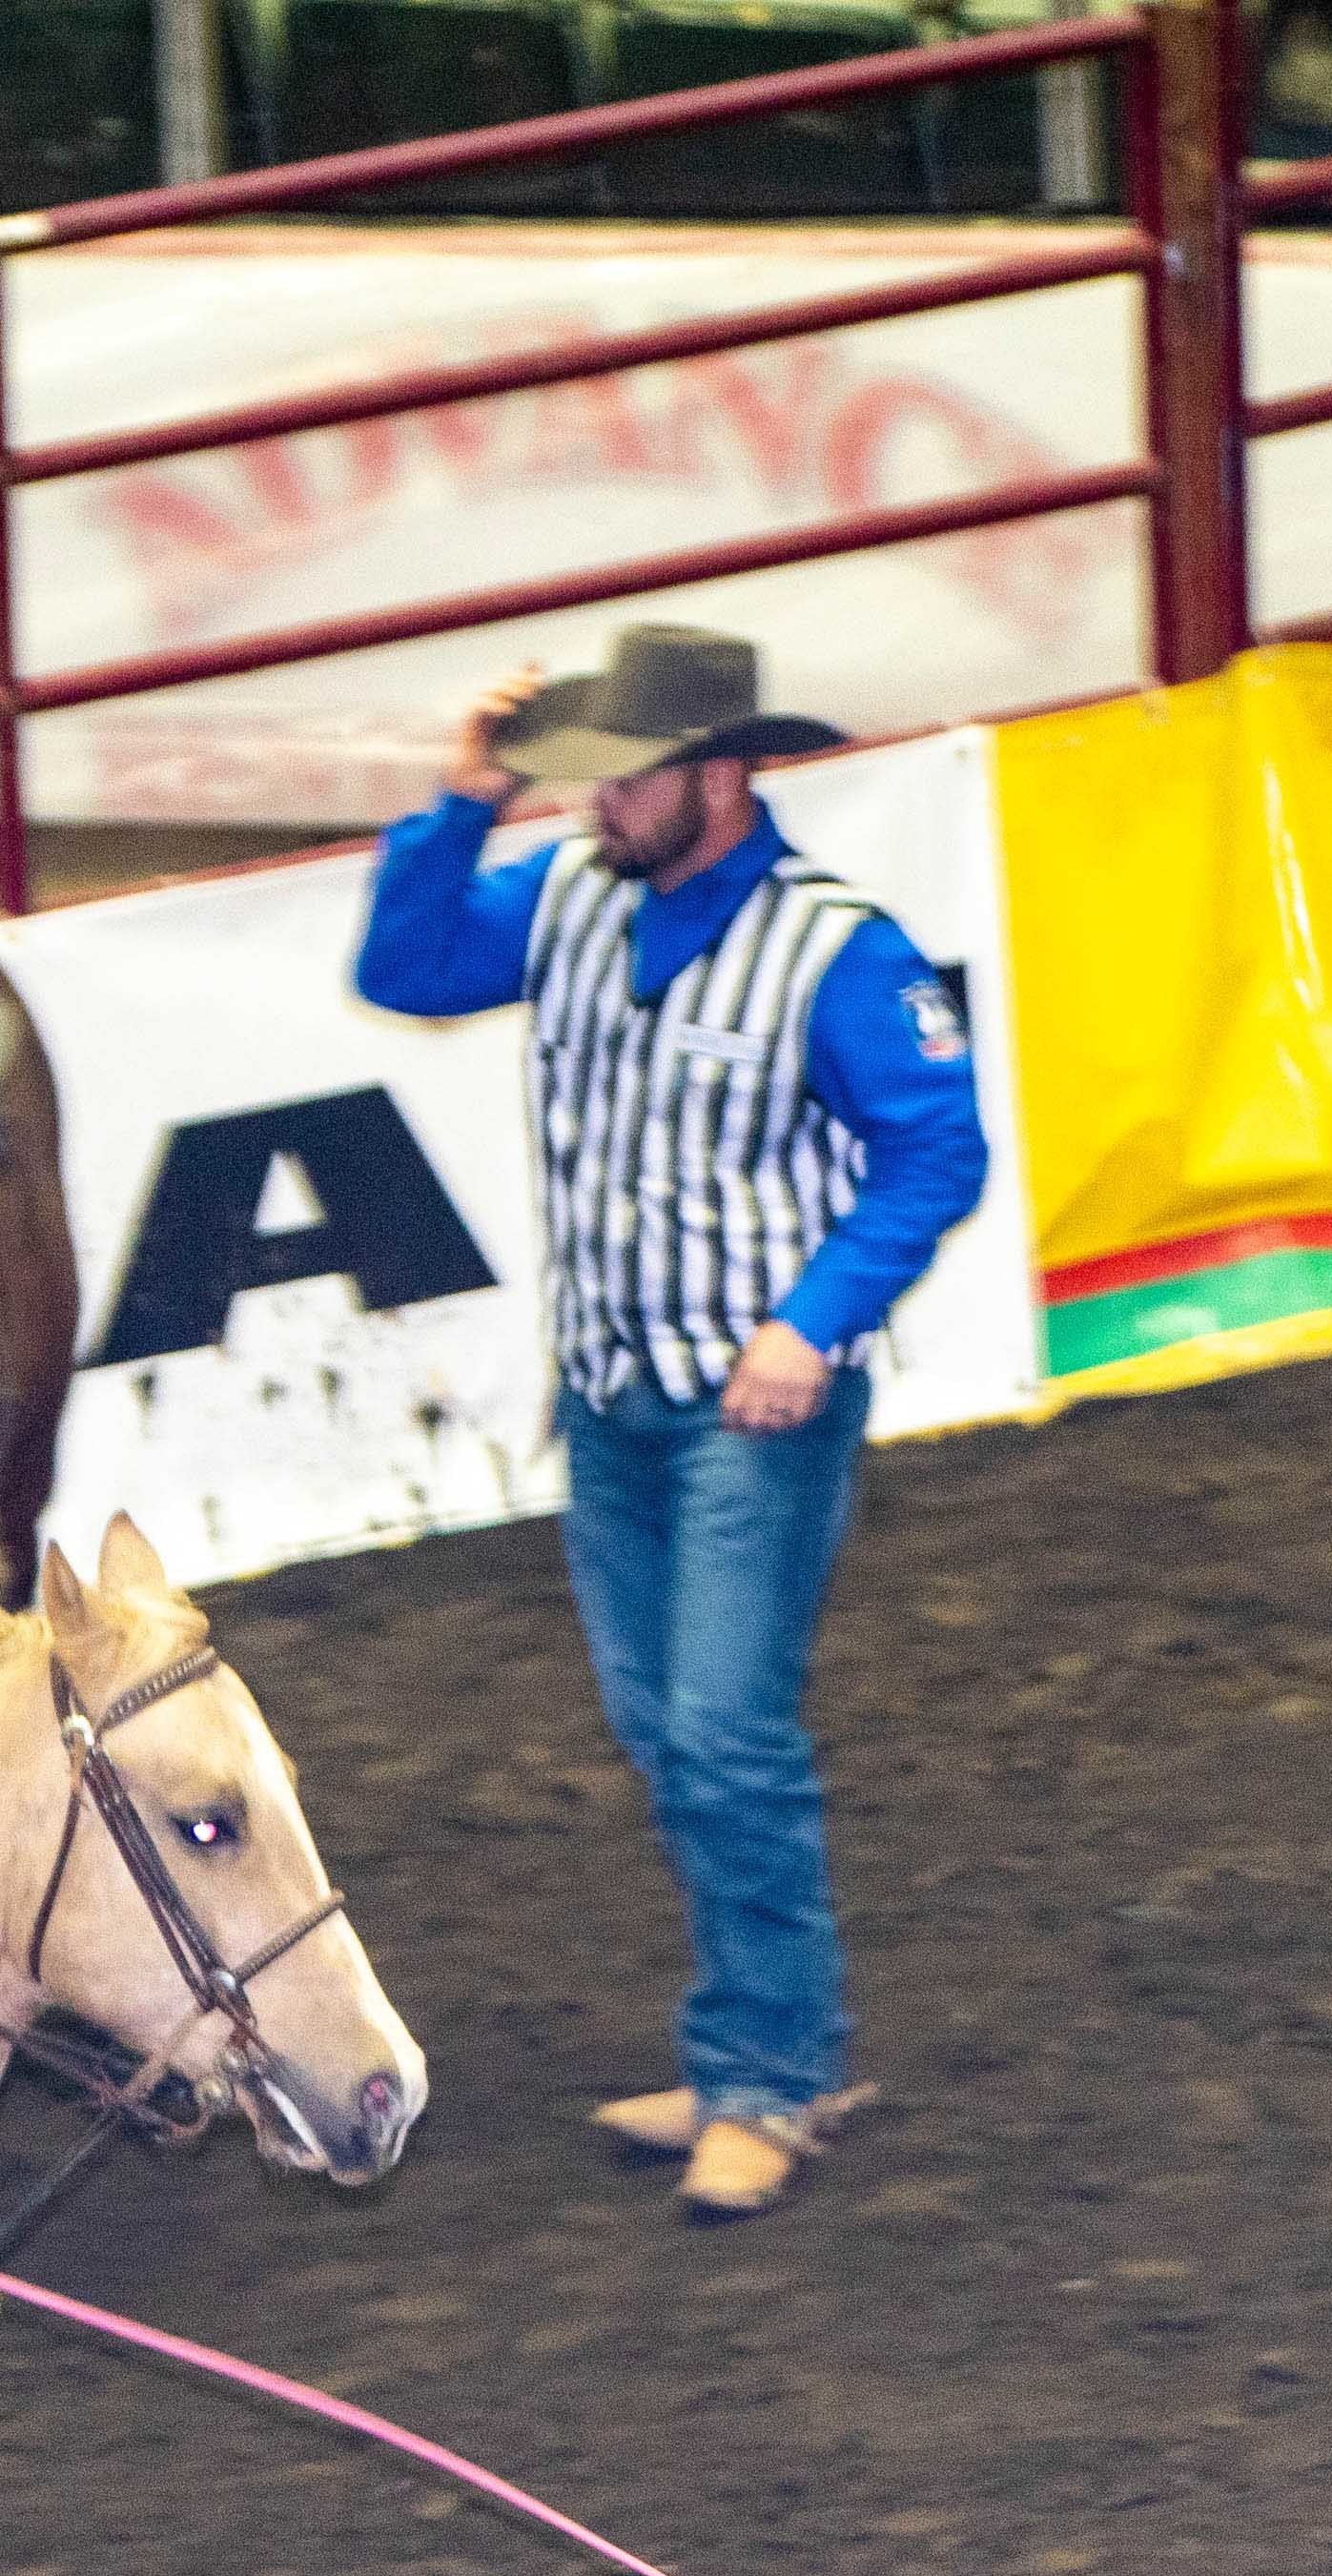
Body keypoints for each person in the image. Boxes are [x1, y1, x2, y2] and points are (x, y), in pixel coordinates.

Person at [349, 623, 988, 2229]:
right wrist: (460, 801)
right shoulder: (567, 895)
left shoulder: (837, 949)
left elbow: (937, 1152)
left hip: (746, 1407)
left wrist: (814, 1319)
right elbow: (405, 968)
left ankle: (772, 2071)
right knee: (674, 1737)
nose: (590, 808)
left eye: (616, 780)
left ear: (716, 775)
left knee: (717, 1733)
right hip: (619, 1392)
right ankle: (755, 2050)